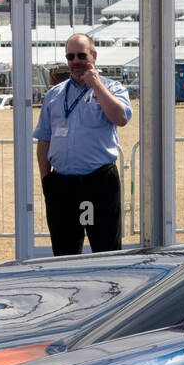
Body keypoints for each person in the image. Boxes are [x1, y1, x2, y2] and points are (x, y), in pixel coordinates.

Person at [34, 33, 130, 256]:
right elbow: (44, 139)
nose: (75, 62)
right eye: (70, 56)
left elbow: (120, 118)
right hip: (62, 186)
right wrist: (46, 179)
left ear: (94, 56)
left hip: (99, 183)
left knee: (105, 250)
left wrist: (96, 85)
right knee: (64, 252)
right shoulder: (55, 95)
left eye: (81, 55)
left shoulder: (112, 89)